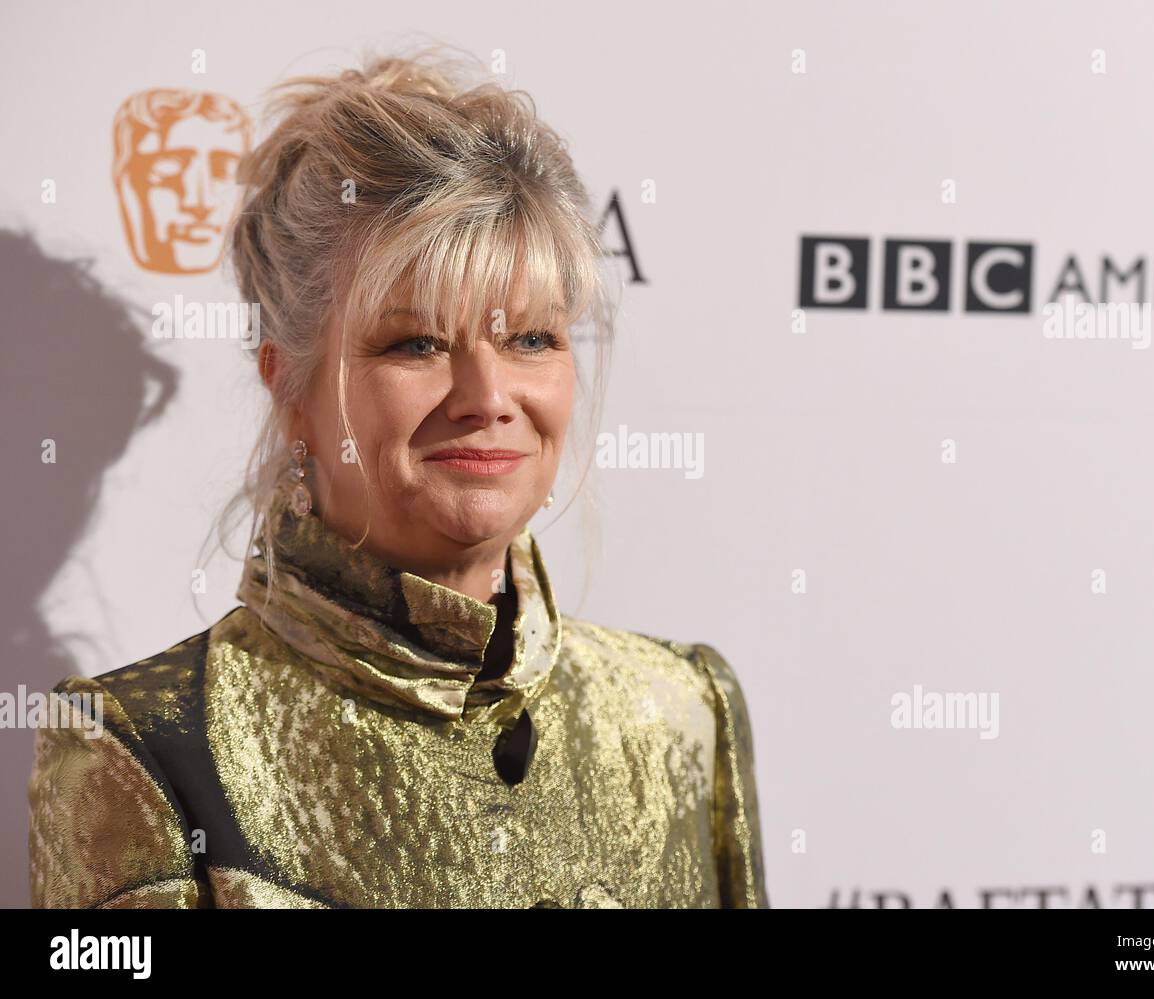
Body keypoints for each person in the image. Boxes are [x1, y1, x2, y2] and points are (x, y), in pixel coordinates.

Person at [26, 45, 767, 909]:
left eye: (531, 338)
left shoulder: (683, 711)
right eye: (415, 343)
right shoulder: (143, 746)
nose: (489, 397)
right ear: (289, 383)